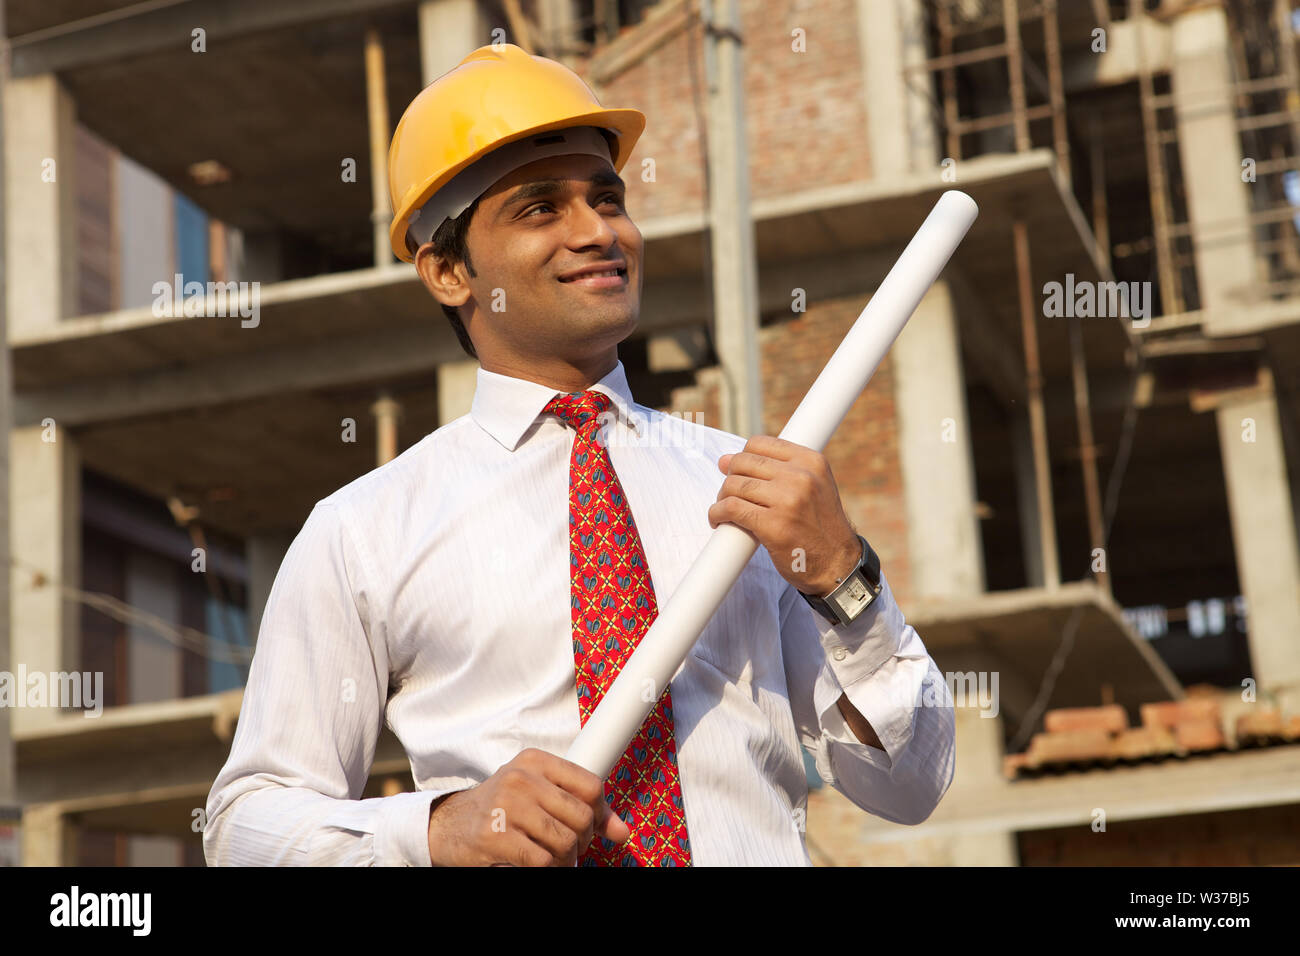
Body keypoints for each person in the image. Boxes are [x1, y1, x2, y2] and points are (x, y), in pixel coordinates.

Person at [204, 43, 955, 868]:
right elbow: (245, 828)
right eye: (540, 209)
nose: (599, 231)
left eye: (608, 198)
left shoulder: (750, 490)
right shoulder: (363, 531)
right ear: (449, 270)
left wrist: (843, 576)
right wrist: (440, 829)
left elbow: (908, 785)